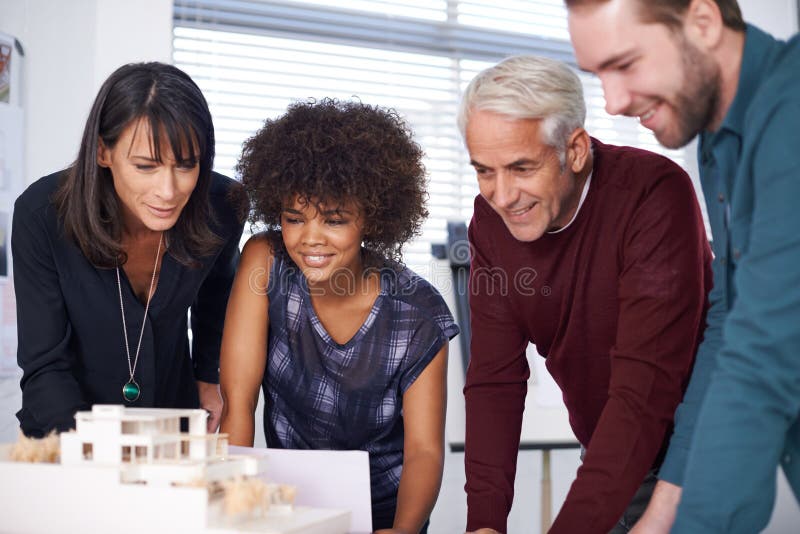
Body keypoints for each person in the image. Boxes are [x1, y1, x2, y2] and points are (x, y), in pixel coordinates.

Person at [566, 1, 800, 532]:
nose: (613, 103)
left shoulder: (791, 111)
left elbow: (765, 352)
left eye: (625, 65)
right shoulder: (719, 142)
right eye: (597, 74)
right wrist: (667, 505)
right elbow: (728, 325)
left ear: (703, 21)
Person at [458, 55, 713, 534]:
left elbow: (644, 390)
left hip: (698, 459)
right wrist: (484, 523)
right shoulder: (490, 226)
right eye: (484, 171)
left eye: (520, 167)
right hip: (608, 453)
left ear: (573, 150)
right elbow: (495, 380)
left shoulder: (653, 195)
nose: (502, 195)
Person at [219, 98, 459, 534]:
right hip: (284, 508)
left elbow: (424, 450)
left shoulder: (417, 315)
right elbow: (239, 403)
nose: (310, 239)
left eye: (333, 220)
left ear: (372, 217)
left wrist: (403, 531)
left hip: (383, 515)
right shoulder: (266, 261)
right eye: (294, 218)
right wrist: (227, 513)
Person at [12, 62, 244, 437]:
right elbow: (45, 364)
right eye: (145, 166)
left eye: (186, 165)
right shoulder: (41, 217)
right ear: (104, 152)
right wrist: (95, 454)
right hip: (66, 431)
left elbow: (217, 297)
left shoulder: (223, 206)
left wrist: (207, 376)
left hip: (174, 425)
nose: (168, 191)